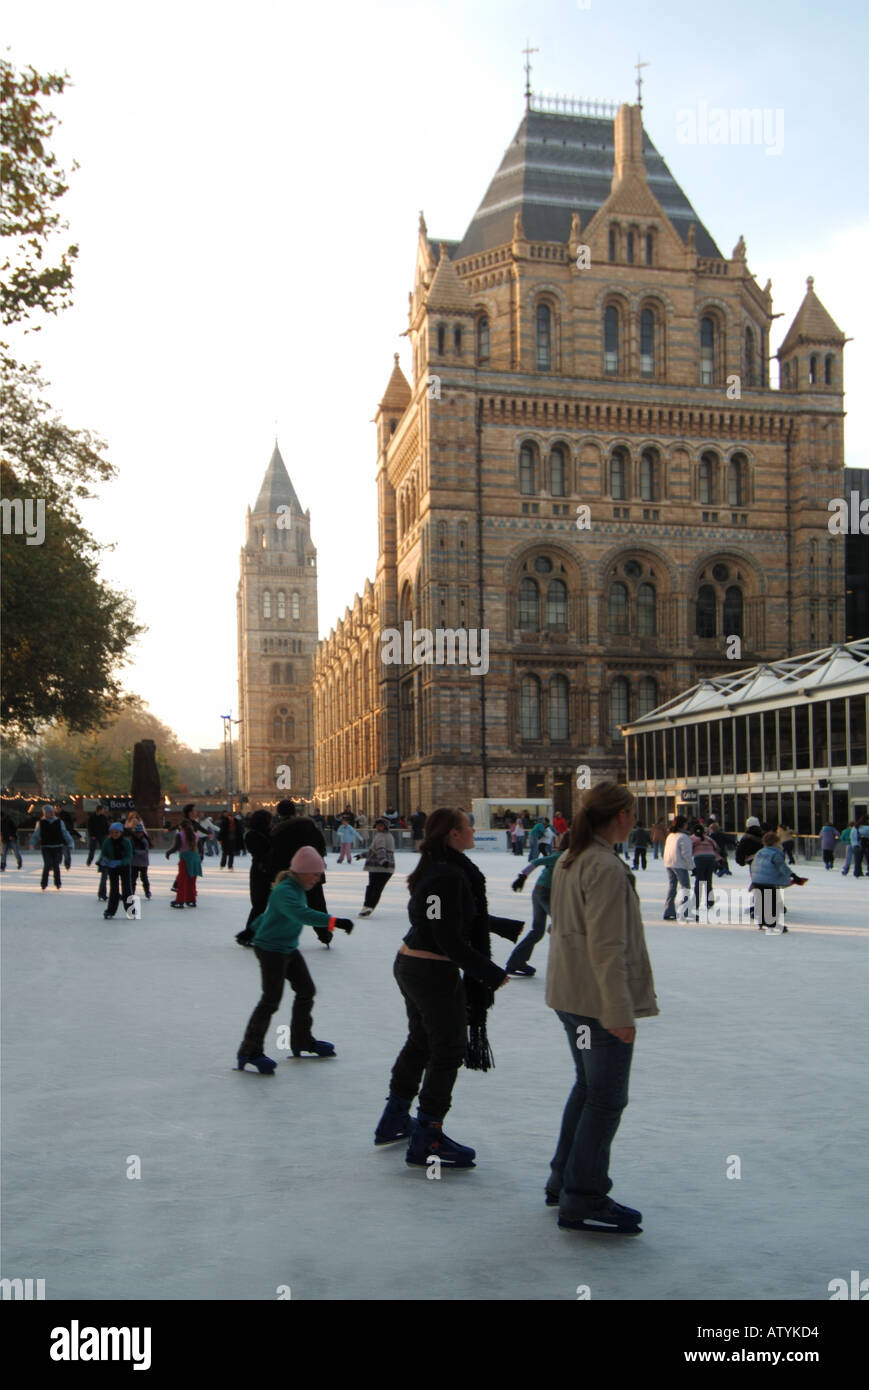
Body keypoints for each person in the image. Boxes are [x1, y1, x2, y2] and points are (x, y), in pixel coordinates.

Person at [373, 808, 519, 1166]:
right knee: (448, 1048)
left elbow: (444, 918)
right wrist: (490, 973)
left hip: (414, 964)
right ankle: (428, 1137)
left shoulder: (440, 870)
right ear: (453, 834)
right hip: (429, 971)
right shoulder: (445, 876)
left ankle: (394, 1119)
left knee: (422, 1041)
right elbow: (445, 935)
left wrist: (497, 925)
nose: (473, 830)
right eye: (468, 825)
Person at [545, 780, 659, 1234]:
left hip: (571, 996)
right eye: (631, 812)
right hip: (595, 1002)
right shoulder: (604, 867)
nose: (635, 820)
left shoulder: (573, 858)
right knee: (606, 1099)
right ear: (619, 817)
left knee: (587, 1089)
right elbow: (608, 946)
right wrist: (618, 1011)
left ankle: (564, 1180)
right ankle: (584, 1195)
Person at [236, 848, 354, 1072]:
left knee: (306, 990)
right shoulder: (286, 891)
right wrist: (334, 922)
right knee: (271, 1000)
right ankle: (249, 1050)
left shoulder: (297, 888)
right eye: (315, 874)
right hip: (271, 949)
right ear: (301, 871)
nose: (317, 879)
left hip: (288, 947)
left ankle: (301, 1039)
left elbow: (269, 914)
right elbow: (301, 914)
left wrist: (251, 929)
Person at [268, 799, 334, 946]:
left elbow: (276, 854)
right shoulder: (308, 825)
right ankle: (325, 934)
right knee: (318, 904)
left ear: (279, 813)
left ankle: (281, 935)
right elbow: (321, 846)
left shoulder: (278, 830)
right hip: (311, 871)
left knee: (288, 904)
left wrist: (275, 873)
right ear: (294, 811)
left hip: (290, 873)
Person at [505, 836, 565, 976]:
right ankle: (567, 965)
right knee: (564, 923)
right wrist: (522, 877)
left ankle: (516, 962)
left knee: (537, 931)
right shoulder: (561, 856)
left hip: (540, 892)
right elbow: (537, 861)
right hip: (544, 893)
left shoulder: (568, 856)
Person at [750, 832, 807, 932]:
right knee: (772, 902)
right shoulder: (775, 853)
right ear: (776, 842)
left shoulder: (760, 852)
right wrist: (794, 876)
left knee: (762, 900)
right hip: (768, 881)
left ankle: (762, 920)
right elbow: (782, 867)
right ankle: (772, 923)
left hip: (756, 880)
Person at [235, 808, 273, 947]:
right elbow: (261, 853)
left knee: (263, 906)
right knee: (259, 905)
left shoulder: (267, 833)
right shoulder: (253, 835)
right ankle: (248, 934)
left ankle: (254, 933)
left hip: (266, 871)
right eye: (269, 820)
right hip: (260, 872)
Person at [355, 817, 395, 916]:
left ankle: (368, 906)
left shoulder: (381, 836)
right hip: (386, 866)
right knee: (375, 888)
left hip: (378, 866)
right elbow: (373, 850)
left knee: (374, 887)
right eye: (377, 825)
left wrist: (383, 861)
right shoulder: (387, 836)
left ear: (385, 826)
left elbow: (380, 849)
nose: (378, 827)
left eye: (380, 825)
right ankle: (369, 906)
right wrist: (362, 855)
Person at [30, 804, 74, 890]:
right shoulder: (41, 823)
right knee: (47, 865)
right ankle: (44, 883)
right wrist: (32, 843)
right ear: (45, 813)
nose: (51, 813)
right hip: (46, 847)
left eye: (52, 812)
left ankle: (57, 883)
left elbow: (65, 833)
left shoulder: (59, 822)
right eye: (49, 812)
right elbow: (36, 834)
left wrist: (70, 841)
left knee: (56, 865)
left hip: (57, 846)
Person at [97, 821, 133, 919]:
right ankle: (110, 911)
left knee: (127, 889)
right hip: (112, 868)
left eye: (117, 832)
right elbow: (103, 853)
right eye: (112, 832)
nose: (114, 834)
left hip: (124, 867)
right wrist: (104, 859)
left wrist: (121, 862)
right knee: (114, 890)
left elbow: (129, 856)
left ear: (121, 832)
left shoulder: (126, 842)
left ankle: (131, 911)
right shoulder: (107, 842)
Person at [662, 816, 692, 921]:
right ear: (683, 824)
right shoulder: (683, 836)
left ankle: (668, 910)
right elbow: (686, 853)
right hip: (679, 864)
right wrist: (692, 866)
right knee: (685, 887)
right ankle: (685, 911)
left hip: (669, 863)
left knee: (672, 886)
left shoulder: (670, 835)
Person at [690, 822, 720, 918]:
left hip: (699, 858)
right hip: (711, 858)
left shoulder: (692, 838)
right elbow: (716, 847)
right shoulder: (708, 838)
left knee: (699, 880)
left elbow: (688, 849)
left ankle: (696, 902)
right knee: (708, 880)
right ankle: (710, 902)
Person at [170, 820, 201, 908]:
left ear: (181, 826)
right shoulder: (196, 835)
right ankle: (191, 900)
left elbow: (177, 847)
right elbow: (201, 848)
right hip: (195, 858)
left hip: (185, 859)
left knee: (182, 880)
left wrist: (169, 852)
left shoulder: (180, 834)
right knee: (192, 881)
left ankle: (180, 901)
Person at [124, 811, 152, 899]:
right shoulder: (132, 840)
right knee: (133, 878)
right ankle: (132, 892)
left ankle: (147, 891)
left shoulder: (144, 841)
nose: (138, 834)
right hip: (134, 863)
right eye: (137, 833)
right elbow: (129, 849)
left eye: (140, 833)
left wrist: (136, 852)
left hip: (143, 863)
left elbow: (145, 851)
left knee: (144, 878)